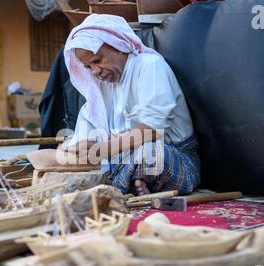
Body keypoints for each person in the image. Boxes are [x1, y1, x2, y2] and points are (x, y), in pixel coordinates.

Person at [28, 14, 200, 196]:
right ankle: (133, 182)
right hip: (124, 158)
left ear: (119, 45)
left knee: (151, 155)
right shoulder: (102, 88)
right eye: (88, 67)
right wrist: (77, 149)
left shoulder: (149, 66)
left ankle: (112, 185)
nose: (94, 72)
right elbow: (88, 128)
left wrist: (103, 149)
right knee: (64, 157)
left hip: (176, 158)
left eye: (97, 61)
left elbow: (153, 130)